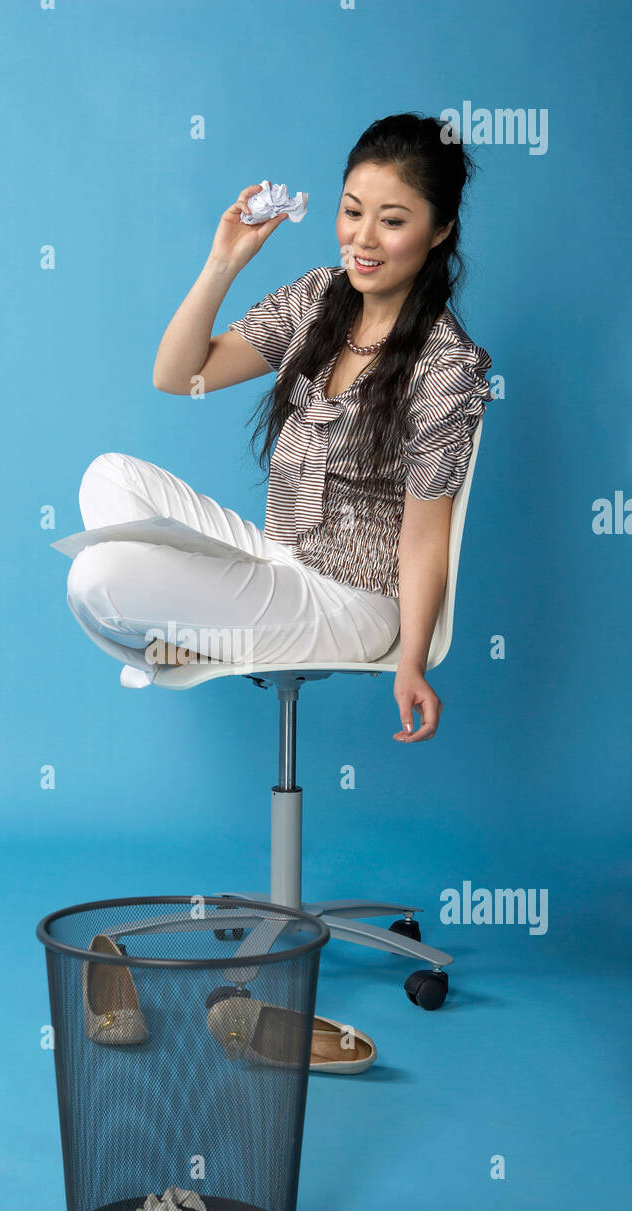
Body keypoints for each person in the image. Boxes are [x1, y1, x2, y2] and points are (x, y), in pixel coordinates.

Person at [66, 112, 493, 743]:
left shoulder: (445, 363)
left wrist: (410, 663)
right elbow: (180, 375)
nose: (363, 239)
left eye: (393, 220)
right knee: (110, 475)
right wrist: (224, 261)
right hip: (281, 562)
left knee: (96, 578)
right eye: (352, 212)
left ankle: (189, 633)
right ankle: (196, 632)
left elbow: (428, 535)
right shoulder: (318, 298)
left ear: (439, 232)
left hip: (353, 602)